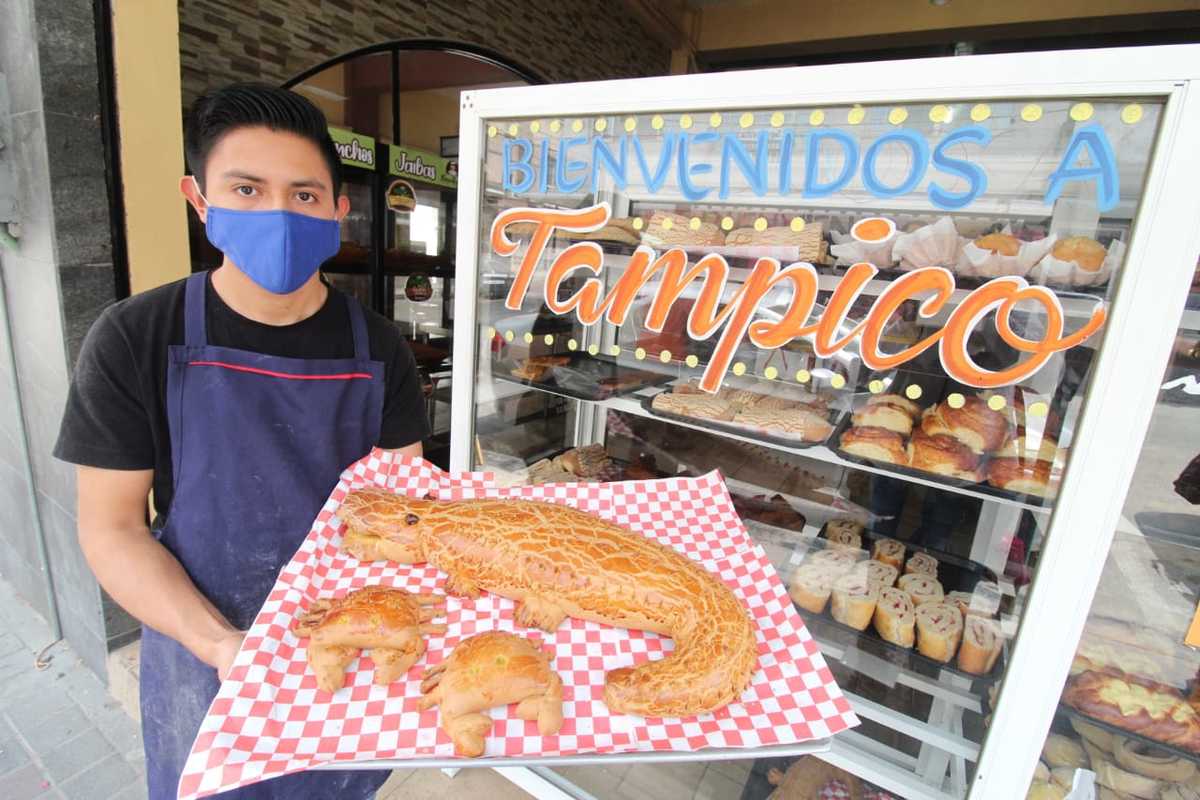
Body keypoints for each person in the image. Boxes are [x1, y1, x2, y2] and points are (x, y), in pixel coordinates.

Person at [54, 83, 429, 799]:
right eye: (247, 189)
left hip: (347, 647)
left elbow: (399, 512)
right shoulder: (137, 336)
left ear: (339, 209)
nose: (279, 215)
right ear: (200, 201)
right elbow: (112, 528)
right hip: (202, 646)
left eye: (306, 195)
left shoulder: (380, 347)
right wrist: (222, 645)